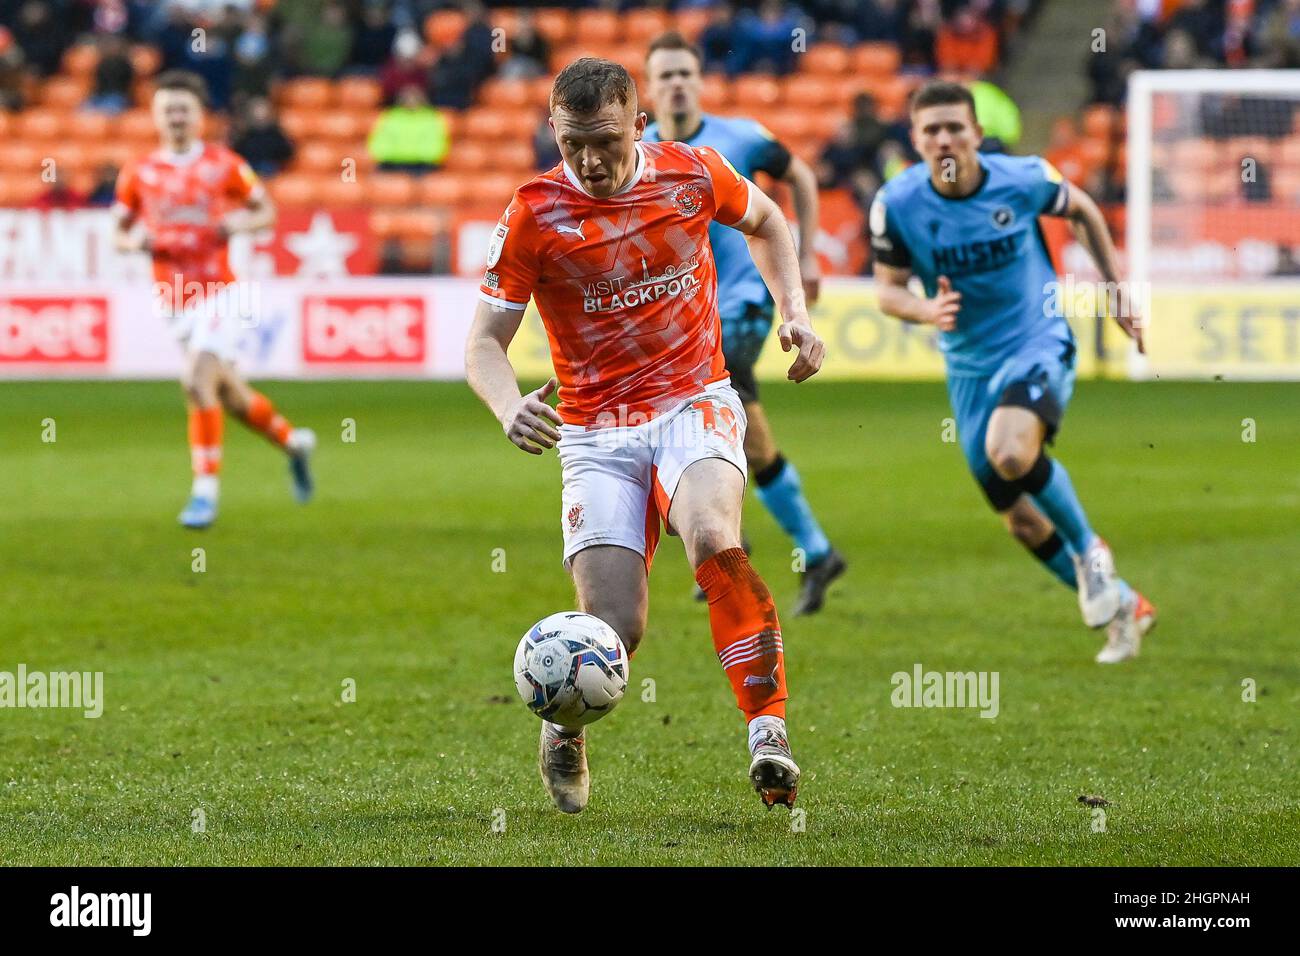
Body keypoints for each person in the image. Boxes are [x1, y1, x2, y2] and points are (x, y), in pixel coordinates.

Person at [464, 58, 825, 813]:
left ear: (639, 122)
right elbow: (484, 343)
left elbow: (767, 220)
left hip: (693, 398)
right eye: (571, 144)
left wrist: (793, 308)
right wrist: (506, 406)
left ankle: (767, 731)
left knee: (712, 538)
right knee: (615, 628)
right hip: (596, 430)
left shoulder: (693, 174)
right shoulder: (534, 211)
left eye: (603, 140)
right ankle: (564, 727)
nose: (589, 161)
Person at [870, 81, 1155, 663]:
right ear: (916, 141)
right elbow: (888, 293)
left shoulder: (1022, 179)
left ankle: (1089, 551)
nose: (945, 139)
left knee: (1009, 451)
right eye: (932, 130)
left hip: (1037, 339)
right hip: (969, 369)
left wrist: (1115, 289)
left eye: (955, 127)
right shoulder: (896, 205)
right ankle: (1126, 605)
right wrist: (925, 309)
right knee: (1021, 521)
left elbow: (1083, 209)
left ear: (976, 133)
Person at [643, 31, 846, 615]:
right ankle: (812, 548)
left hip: (741, 307)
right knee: (749, 435)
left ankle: (728, 533)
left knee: (685, 406)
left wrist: (804, 256)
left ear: (700, 79)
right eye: (666, 75)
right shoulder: (642, 153)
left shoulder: (740, 138)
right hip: (684, 320)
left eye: (686, 72)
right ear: (651, 88)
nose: (678, 82)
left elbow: (801, 176)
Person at [111, 70, 315, 530]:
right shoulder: (138, 173)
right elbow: (116, 233)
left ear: (200, 116)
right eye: (168, 110)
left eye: (184, 109)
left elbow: (265, 210)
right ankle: (293, 442)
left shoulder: (224, 165)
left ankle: (205, 493)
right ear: (156, 116)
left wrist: (235, 225)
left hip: (223, 295)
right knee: (227, 395)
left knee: (195, 378)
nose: (176, 117)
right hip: (175, 300)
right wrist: (138, 243)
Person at [367, 84, 450, 173]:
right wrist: (394, 157)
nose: (411, 101)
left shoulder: (431, 118)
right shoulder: (390, 117)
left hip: (422, 166)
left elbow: (436, 146)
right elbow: (379, 144)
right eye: (408, 98)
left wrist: (416, 157)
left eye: (415, 98)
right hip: (392, 164)